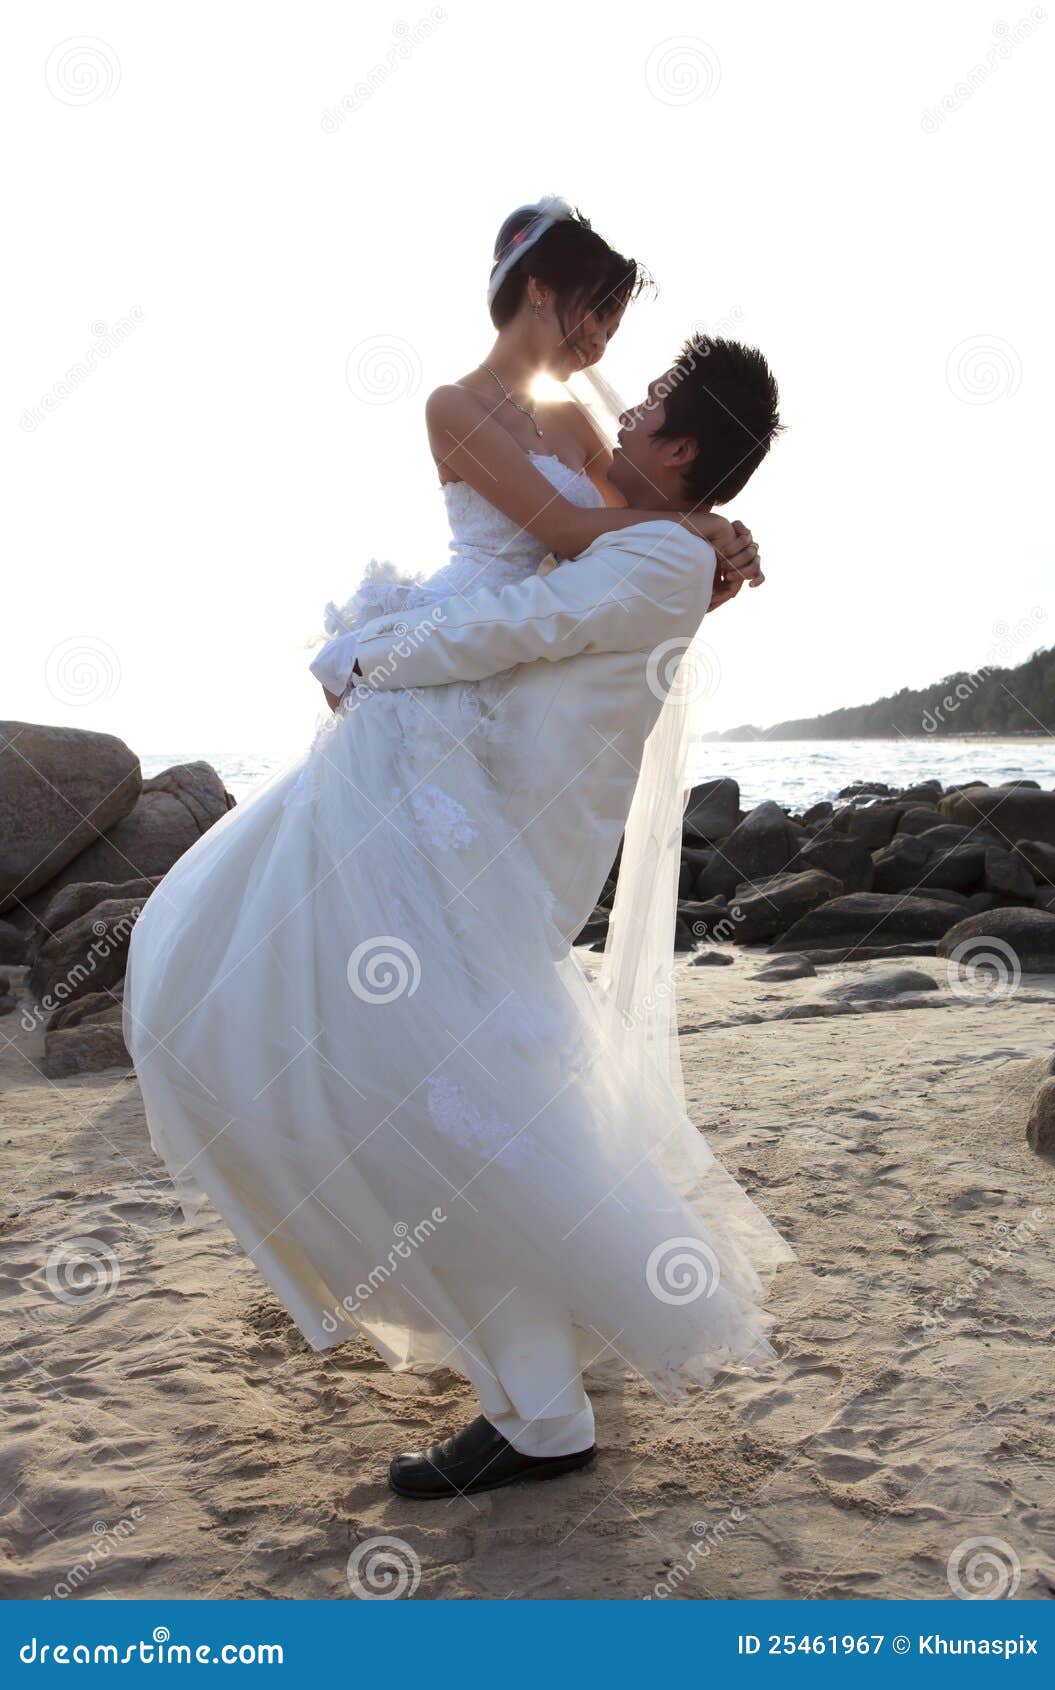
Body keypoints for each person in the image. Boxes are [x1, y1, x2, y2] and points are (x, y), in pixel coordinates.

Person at [124, 201, 789, 1503]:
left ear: (686, 442)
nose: (609, 349)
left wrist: (706, 535)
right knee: (376, 1049)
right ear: (541, 289)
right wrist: (706, 536)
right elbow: (589, 555)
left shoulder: (626, 493)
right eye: (595, 310)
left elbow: (549, 604)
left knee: (424, 1086)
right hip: (439, 770)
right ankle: (541, 1378)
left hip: (460, 793)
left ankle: (539, 1402)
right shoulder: (486, 418)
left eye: (637, 356)